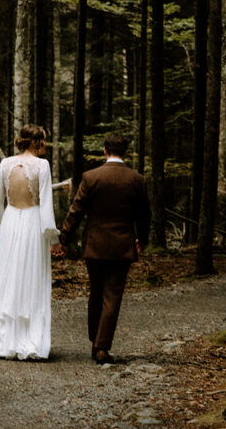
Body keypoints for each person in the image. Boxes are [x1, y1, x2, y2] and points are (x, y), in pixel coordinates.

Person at [53, 133, 150, 365]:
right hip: (122, 246)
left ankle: (95, 341)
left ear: (105, 151)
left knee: (96, 293)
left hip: (94, 246)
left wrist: (63, 238)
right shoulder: (137, 180)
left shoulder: (91, 177)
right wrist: (142, 240)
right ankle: (101, 346)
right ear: (125, 152)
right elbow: (145, 215)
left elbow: (76, 211)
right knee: (112, 296)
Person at [0, 124, 60, 360]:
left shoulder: (5, 164)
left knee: (8, 278)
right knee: (30, 278)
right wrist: (53, 239)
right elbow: (46, 205)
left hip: (10, 224)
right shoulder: (42, 166)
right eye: (43, 141)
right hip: (32, 224)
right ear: (37, 143)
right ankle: (31, 341)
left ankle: (5, 341)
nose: (45, 146)